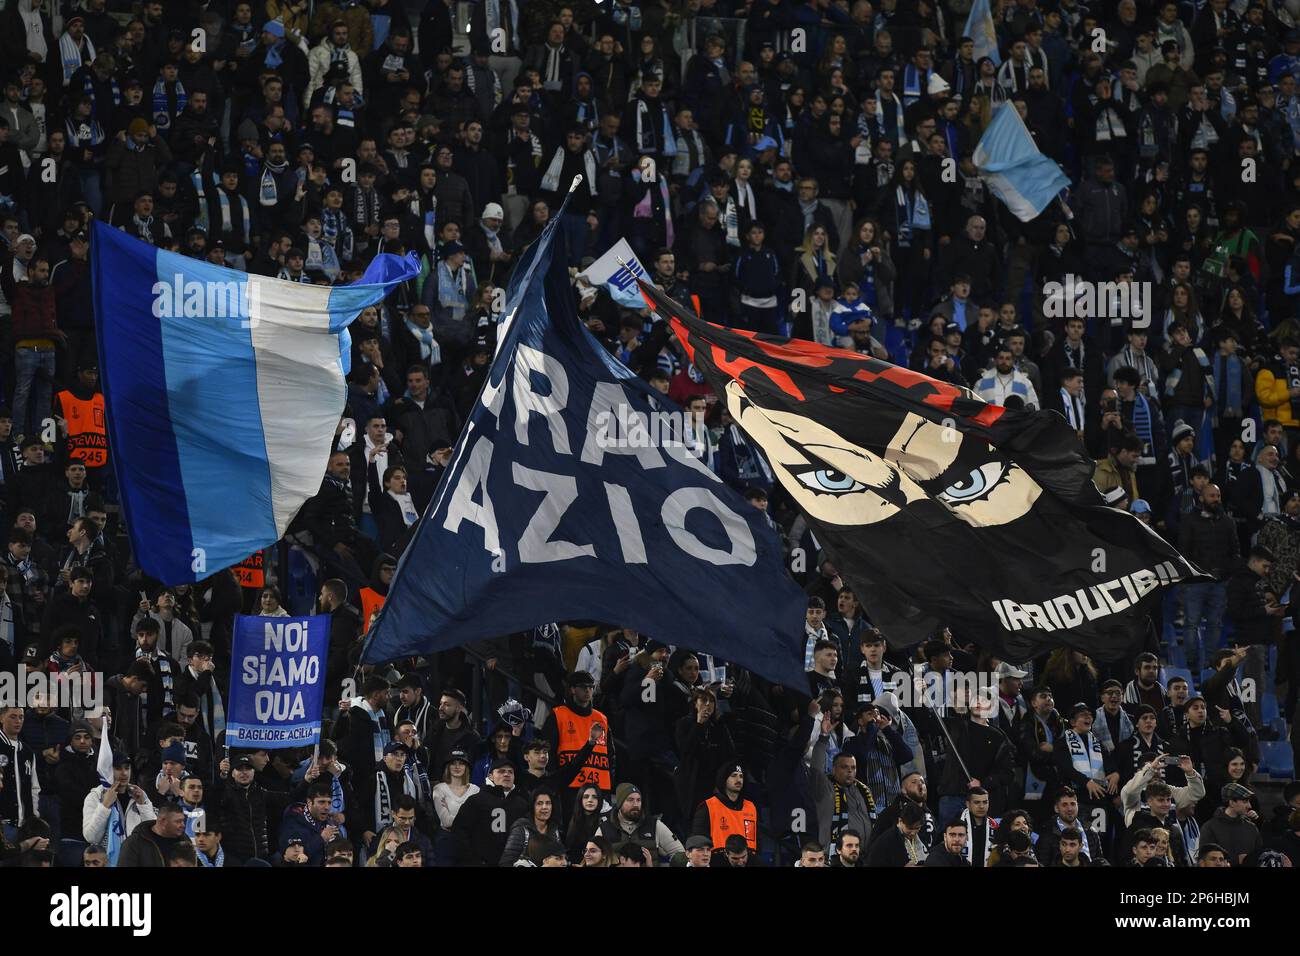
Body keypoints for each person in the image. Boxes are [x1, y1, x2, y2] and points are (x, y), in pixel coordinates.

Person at [1198, 782, 1264, 865]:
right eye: (1245, 801)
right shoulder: (1210, 828)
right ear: (1232, 802)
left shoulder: (1251, 827)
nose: (1249, 806)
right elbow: (1206, 860)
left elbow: (1260, 857)